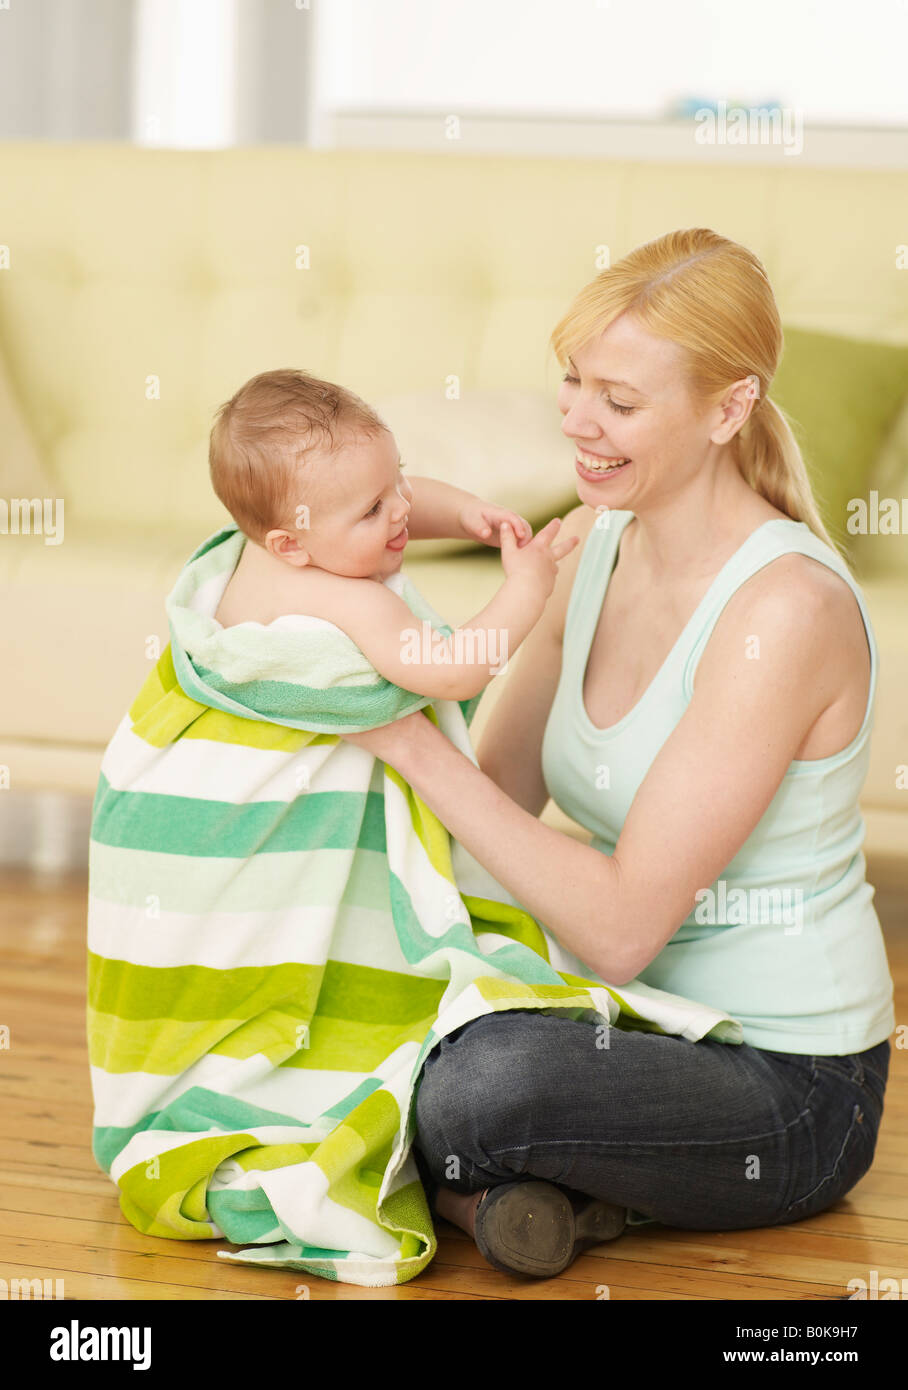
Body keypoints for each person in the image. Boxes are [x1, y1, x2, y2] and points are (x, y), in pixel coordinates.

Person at [335, 228, 896, 1280]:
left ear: (728, 409)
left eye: (620, 402)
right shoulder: (597, 542)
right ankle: (516, 1198)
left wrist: (406, 743)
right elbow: (495, 792)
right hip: (619, 1027)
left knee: (473, 1089)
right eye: (571, 380)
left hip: (784, 1083)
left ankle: (487, 1178)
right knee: (349, 1004)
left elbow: (623, 924)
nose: (577, 422)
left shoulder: (783, 609)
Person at [209, 367, 577, 698]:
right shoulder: (356, 603)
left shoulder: (272, 547)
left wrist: (464, 512)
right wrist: (527, 586)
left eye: (397, 476)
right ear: (289, 545)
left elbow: (381, 504)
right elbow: (452, 674)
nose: (403, 506)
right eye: (373, 509)